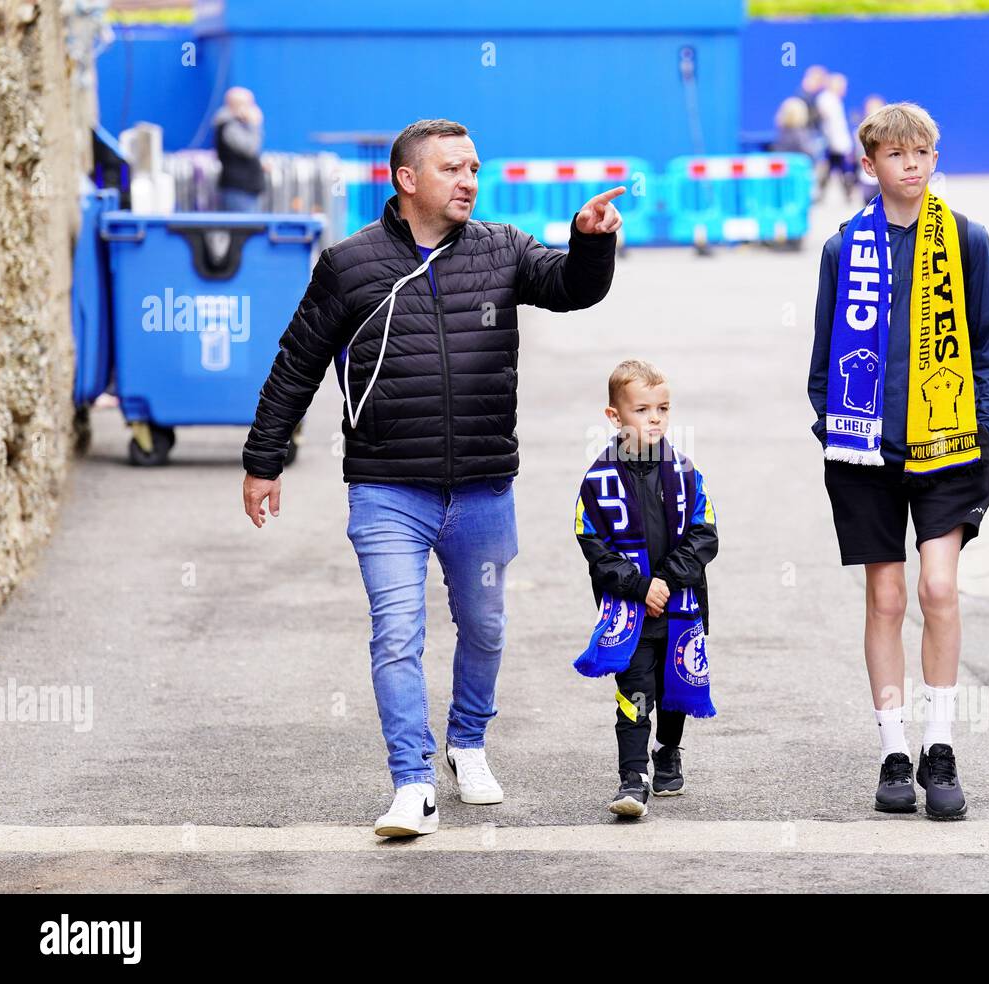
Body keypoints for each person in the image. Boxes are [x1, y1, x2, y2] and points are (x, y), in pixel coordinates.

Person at [240, 119, 623, 837]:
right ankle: (411, 781)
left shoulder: (503, 249)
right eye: (452, 169)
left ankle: (468, 743)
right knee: (396, 634)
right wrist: (264, 460)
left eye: (474, 167)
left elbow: (571, 287)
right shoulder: (349, 265)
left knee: (484, 628)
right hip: (387, 486)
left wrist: (591, 240)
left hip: (482, 485)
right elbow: (297, 361)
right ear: (407, 180)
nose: (469, 181)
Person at [808, 102, 989, 820]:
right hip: (864, 454)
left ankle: (942, 744)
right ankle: (895, 749)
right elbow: (824, 359)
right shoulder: (844, 249)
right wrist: (832, 430)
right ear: (870, 166)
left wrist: (982, 429)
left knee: (939, 590)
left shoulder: (966, 240)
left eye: (922, 152)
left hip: (950, 448)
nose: (913, 165)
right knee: (886, 598)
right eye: (897, 155)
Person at [572, 360, 718, 818]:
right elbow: (592, 541)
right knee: (635, 693)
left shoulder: (686, 471)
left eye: (663, 408)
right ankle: (632, 779)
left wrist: (667, 581)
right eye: (642, 409)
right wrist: (639, 586)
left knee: (672, 690)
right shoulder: (598, 479)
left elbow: (705, 532)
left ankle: (668, 750)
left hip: (679, 608)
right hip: (631, 612)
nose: (655, 418)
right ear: (615, 417)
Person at [213, 87, 265, 212]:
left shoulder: (236, 124)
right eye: (250, 105)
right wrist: (254, 125)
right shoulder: (229, 126)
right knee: (243, 230)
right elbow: (250, 148)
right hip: (239, 190)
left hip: (244, 189)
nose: (254, 109)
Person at [816, 73, 856, 203]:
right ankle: (845, 194)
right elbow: (833, 127)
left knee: (834, 170)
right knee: (842, 169)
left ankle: (824, 193)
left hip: (836, 144)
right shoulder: (828, 101)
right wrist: (843, 146)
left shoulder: (833, 100)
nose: (844, 89)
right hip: (835, 144)